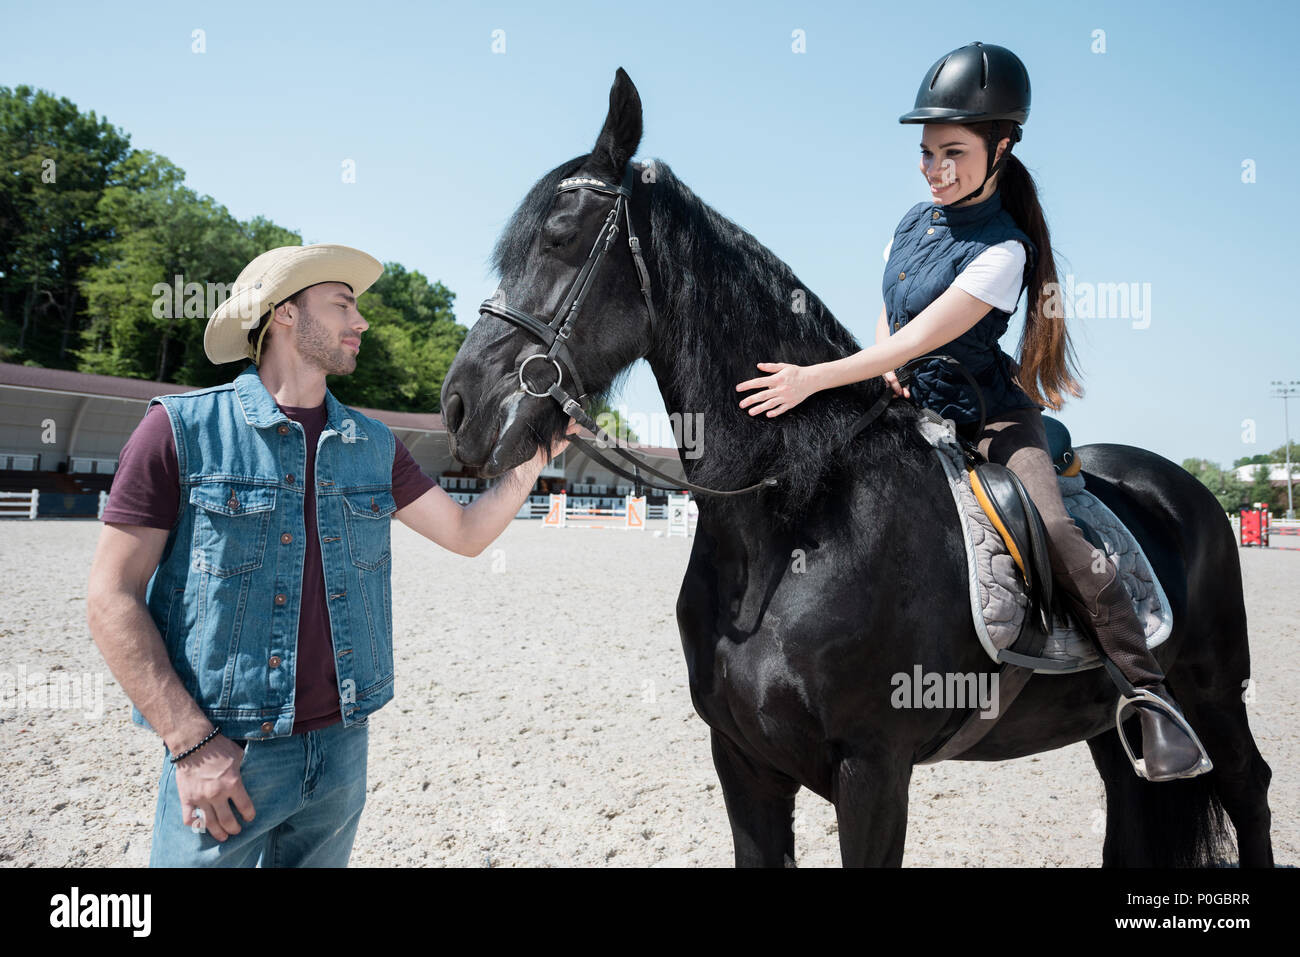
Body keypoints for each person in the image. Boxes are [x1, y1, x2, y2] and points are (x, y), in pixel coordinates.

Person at [734, 42, 1209, 782]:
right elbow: (895, 324)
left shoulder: (1005, 251)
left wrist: (815, 378)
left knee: (1052, 527)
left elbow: (930, 333)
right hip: (911, 412)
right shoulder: (909, 225)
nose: (935, 169)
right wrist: (886, 371)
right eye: (926, 153)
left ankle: (1150, 696)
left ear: (1002, 146)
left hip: (990, 421)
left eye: (952, 152)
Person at [87, 243, 579, 866]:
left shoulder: (372, 445)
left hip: (342, 749)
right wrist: (190, 742)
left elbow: (464, 535)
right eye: (343, 305)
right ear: (284, 315)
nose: (362, 322)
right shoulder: (179, 431)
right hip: (228, 751)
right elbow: (111, 596)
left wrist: (534, 458)